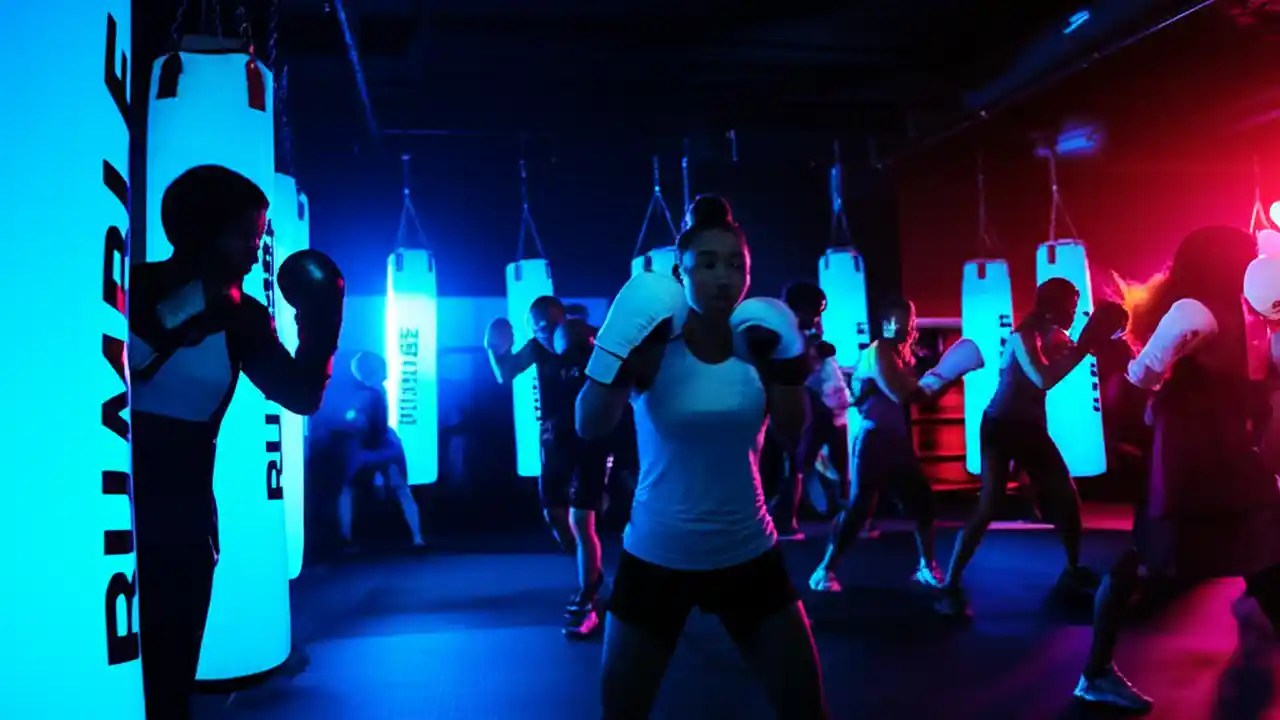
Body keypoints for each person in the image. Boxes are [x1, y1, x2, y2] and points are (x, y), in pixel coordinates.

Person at [578, 195, 828, 719]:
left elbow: (792, 434)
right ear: (681, 271)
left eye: (734, 264)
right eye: (707, 264)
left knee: (806, 708)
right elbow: (589, 424)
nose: (722, 277)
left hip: (748, 548)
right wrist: (613, 347)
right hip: (658, 552)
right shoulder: (653, 343)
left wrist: (789, 363)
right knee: (622, 712)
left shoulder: (760, 339)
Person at [128, 165, 343, 719]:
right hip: (110, 491)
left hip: (184, 506)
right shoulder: (136, 285)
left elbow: (299, 395)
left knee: (170, 669)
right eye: (246, 235)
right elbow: (128, 361)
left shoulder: (244, 315)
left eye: (261, 235)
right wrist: (195, 306)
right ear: (202, 230)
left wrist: (322, 322)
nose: (256, 250)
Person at [1075, 227, 1280, 712]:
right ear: (1223, 261)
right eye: (1247, 255)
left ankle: (1095, 672)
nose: (1255, 263)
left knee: (1266, 556)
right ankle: (1095, 673)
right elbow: (1143, 377)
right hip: (1193, 457)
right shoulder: (1197, 311)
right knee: (1145, 561)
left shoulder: (1239, 310)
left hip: (1225, 454)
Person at [936, 278, 1118, 618]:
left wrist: (1097, 342)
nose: (1074, 312)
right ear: (1054, 304)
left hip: (1030, 427)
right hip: (1000, 426)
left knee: (1067, 495)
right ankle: (950, 584)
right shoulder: (1024, 336)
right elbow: (1043, 379)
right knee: (988, 506)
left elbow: (1071, 352)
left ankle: (1072, 569)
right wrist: (1084, 346)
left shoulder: (1054, 334)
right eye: (1071, 305)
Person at [810, 299, 982, 592]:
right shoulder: (881, 352)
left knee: (923, 504)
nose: (911, 329)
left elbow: (919, 398)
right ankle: (824, 571)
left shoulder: (902, 356)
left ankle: (927, 566)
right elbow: (905, 395)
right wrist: (946, 373)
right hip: (873, 441)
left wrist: (946, 377)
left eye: (912, 322)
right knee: (859, 509)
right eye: (905, 322)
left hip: (897, 441)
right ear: (889, 324)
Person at [485, 298, 611, 638]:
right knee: (555, 518)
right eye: (536, 326)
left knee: (581, 520)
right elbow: (506, 374)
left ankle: (589, 594)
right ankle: (592, 575)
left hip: (588, 441)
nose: (542, 331)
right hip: (554, 445)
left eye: (548, 325)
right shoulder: (537, 349)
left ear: (562, 321)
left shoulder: (586, 344)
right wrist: (495, 350)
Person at [768, 282, 851, 540]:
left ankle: (848, 518)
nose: (817, 316)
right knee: (795, 464)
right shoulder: (782, 330)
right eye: (814, 310)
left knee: (827, 465)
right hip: (799, 404)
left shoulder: (803, 331)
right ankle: (784, 521)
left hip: (822, 406)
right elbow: (793, 371)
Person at [337, 351, 425, 549]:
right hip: (381, 449)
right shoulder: (373, 394)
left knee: (349, 489)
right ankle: (417, 537)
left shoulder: (366, 394)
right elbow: (363, 420)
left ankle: (346, 537)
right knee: (401, 490)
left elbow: (357, 421)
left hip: (370, 450)